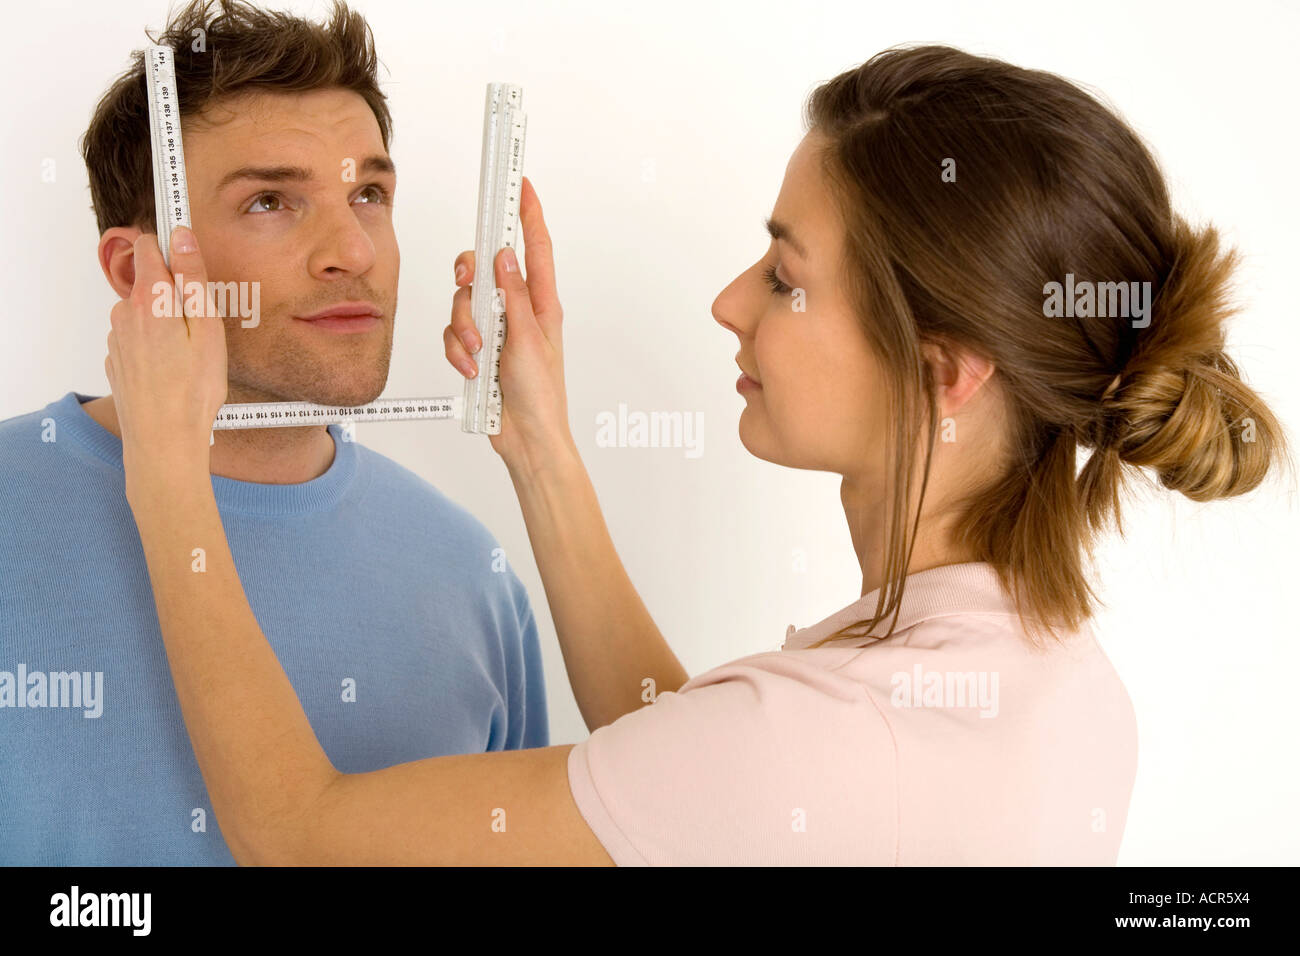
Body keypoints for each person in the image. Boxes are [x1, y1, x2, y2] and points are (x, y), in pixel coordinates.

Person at [102, 44, 1289, 865]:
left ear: (942, 371)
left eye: (784, 275)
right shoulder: (1046, 678)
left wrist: (165, 473)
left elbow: (298, 834)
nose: (730, 304)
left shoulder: (843, 731)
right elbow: (698, 787)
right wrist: (545, 450)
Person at [0, 0, 549, 865]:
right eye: (270, 202)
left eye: (368, 193)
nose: (353, 252)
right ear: (133, 270)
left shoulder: (472, 580)